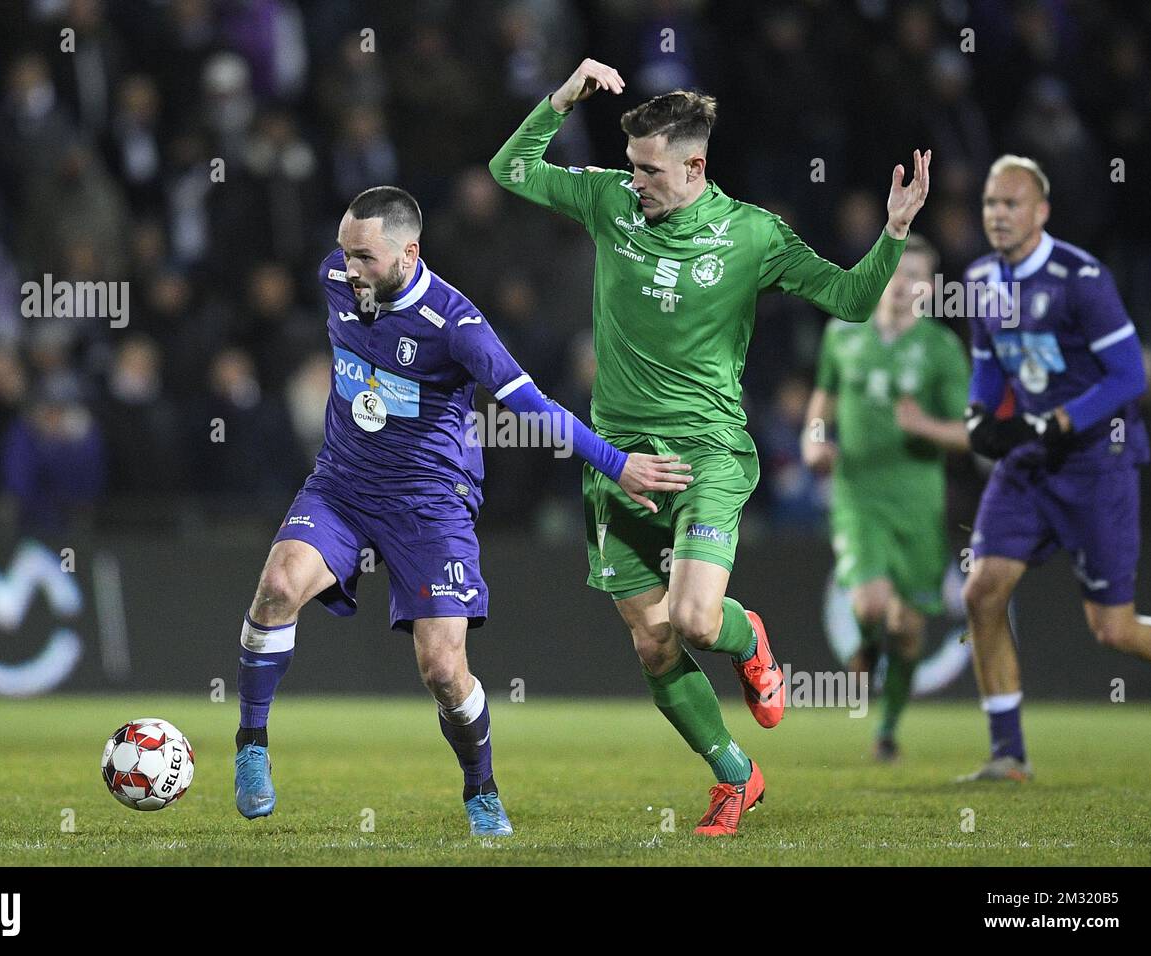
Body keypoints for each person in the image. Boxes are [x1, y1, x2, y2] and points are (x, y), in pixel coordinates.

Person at [491, 59, 930, 835]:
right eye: (629, 167)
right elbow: (511, 168)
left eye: (649, 170)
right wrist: (563, 98)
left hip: (706, 454)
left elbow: (852, 300)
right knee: (654, 645)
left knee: (695, 621)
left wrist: (894, 233)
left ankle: (747, 634)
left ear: (695, 165)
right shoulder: (609, 202)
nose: (634, 182)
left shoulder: (753, 235)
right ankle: (735, 777)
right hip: (617, 460)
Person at [232, 186, 691, 836]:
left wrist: (616, 463)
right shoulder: (335, 277)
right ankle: (251, 745)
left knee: (444, 670)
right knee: (277, 587)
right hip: (342, 486)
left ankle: (482, 789)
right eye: (344, 253)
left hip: (429, 503)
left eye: (364, 256)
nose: (349, 269)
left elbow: (532, 405)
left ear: (408, 253)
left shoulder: (456, 324)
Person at [959, 155, 1151, 781]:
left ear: (1041, 211)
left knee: (1113, 629)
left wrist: (1063, 422)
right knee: (982, 590)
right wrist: (976, 412)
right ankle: (1008, 755)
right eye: (991, 203)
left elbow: (1131, 377)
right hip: (1030, 462)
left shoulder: (1082, 276)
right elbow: (990, 364)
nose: (997, 214)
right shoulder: (978, 279)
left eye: (1011, 204)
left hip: (1096, 463)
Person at [802, 234, 969, 761]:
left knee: (909, 630)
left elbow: (970, 433)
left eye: (915, 278)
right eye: (895, 274)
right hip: (857, 494)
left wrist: (925, 425)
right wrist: (813, 444)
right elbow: (821, 403)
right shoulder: (843, 334)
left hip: (919, 501)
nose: (902, 287)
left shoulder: (942, 350)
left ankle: (887, 730)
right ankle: (865, 644)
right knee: (871, 602)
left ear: (929, 288)